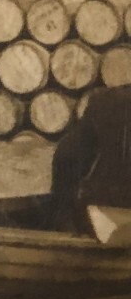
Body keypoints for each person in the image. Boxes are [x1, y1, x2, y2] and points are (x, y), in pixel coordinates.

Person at [46, 86, 131, 233]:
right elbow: (69, 154)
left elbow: (67, 153)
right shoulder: (109, 101)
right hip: (101, 220)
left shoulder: (106, 99)